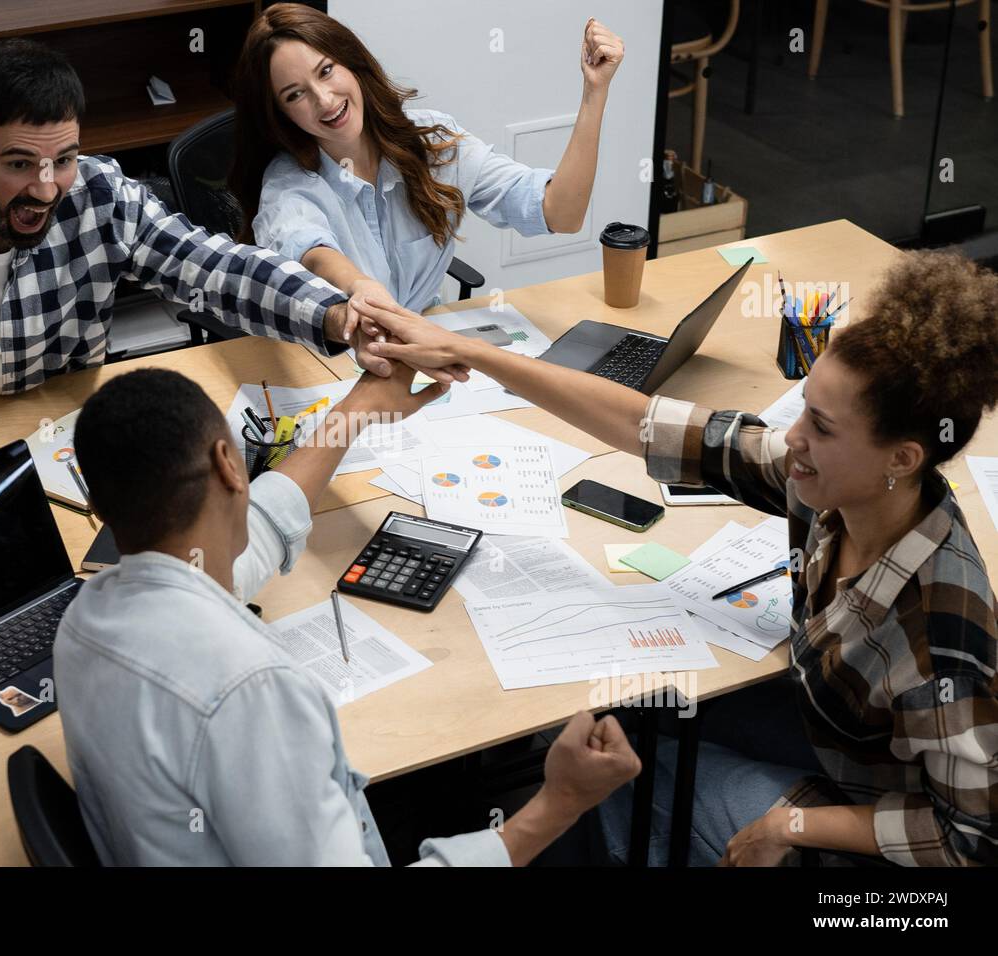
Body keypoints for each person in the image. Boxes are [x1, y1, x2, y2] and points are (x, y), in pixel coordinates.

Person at [356, 250, 998, 866]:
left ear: (903, 458)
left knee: (616, 767)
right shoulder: (839, 489)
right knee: (620, 719)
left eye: (823, 428)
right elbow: (647, 424)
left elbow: (969, 839)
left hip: (878, 835)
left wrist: (790, 824)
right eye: (804, 406)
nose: (793, 437)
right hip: (835, 733)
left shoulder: (938, 636)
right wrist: (472, 352)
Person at [53, 363, 641, 865]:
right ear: (231, 466)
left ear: (97, 504)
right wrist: (559, 801)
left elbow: (261, 525)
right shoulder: (250, 692)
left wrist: (354, 410)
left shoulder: (84, 621)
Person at [0, 38, 410, 439]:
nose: (46, 189)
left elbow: (212, 268)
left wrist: (335, 314)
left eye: (63, 158)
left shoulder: (98, 193)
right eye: (19, 164)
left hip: (60, 437)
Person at [230, 4, 623, 325]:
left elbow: (562, 213)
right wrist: (360, 286)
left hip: (423, 345)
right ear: (281, 114)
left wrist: (595, 91)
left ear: (352, 63)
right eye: (296, 94)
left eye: (326, 71)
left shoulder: (433, 142)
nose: (325, 100)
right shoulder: (287, 184)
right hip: (337, 360)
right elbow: (310, 250)